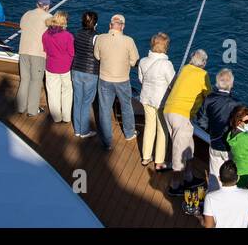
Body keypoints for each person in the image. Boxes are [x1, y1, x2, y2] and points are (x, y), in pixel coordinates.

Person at [164, 49, 211, 196]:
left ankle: (189, 177)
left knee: (188, 146)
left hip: (169, 111)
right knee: (179, 153)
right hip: (181, 116)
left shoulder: (185, 68)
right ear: (203, 63)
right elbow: (209, 96)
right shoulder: (203, 75)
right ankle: (175, 186)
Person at [93, 13, 139, 151]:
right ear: (123, 26)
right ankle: (129, 133)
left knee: (105, 109)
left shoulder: (100, 38)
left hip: (105, 79)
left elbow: (97, 56)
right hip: (122, 80)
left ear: (110, 25)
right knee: (126, 106)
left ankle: (107, 141)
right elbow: (134, 61)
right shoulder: (129, 41)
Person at [137, 33, 175, 170]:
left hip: (146, 98)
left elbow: (141, 80)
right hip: (161, 101)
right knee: (162, 129)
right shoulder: (167, 64)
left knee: (149, 127)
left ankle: (146, 157)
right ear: (165, 47)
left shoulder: (143, 61)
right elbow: (173, 84)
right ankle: (159, 162)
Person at [198, 68, 241, 190]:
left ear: (217, 83)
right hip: (231, 146)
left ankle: (213, 199)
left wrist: (210, 131)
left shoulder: (209, 99)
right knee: (231, 177)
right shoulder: (236, 104)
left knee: (214, 176)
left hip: (215, 143)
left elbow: (202, 119)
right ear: (231, 84)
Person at [16, 0, 51, 116]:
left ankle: (20, 107)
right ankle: (32, 110)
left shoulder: (27, 14)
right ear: (46, 6)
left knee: (24, 79)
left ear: (37, 4)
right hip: (38, 52)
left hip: (23, 50)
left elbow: (21, 26)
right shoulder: (48, 17)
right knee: (36, 81)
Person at [70, 11, 100, 138]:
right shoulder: (96, 37)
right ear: (96, 23)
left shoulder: (76, 33)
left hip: (76, 69)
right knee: (86, 102)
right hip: (90, 72)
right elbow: (99, 55)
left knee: (77, 100)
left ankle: (77, 129)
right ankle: (84, 131)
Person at [202, 162, 248, 228]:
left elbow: (209, 226)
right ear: (237, 178)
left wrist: (200, 218)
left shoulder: (210, 197)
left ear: (219, 178)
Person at [41, 11, 75, 123]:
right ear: (64, 22)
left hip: (51, 66)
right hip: (66, 67)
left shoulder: (45, 35)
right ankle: (66, 117)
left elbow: (46, 49)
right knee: (67, 91)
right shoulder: (68, 36)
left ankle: (56, 117)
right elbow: (71, 52)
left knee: (52, 92)